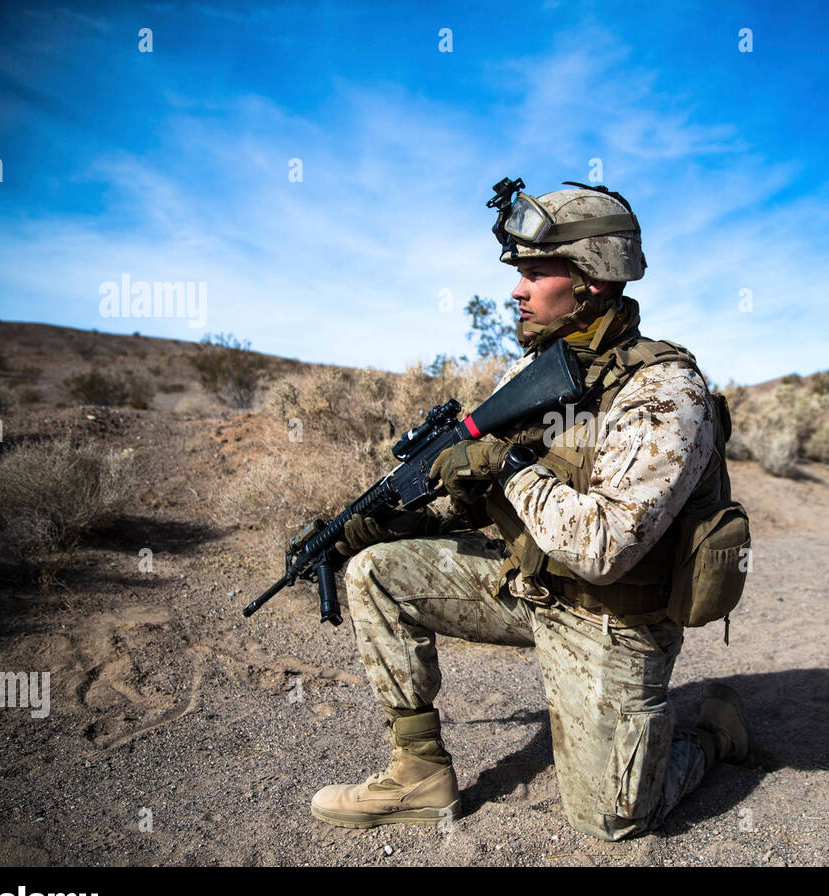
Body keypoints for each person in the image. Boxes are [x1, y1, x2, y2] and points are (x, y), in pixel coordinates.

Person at [308, 181, 750, 841]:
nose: (516, 289)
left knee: (615, 821)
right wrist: (400, 516)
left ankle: (713, 734)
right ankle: (418, 772)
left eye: (536, 272)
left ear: (594, 280)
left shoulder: (664, 391)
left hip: (614, 619)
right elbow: (471, 492)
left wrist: (509, 470)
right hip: (533, 586)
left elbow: (604, 547)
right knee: (377, 568)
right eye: (519, 272)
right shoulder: (538, 371)